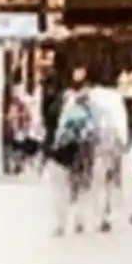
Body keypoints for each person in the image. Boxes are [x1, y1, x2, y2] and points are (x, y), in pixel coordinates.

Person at [49, 67, 96, 236]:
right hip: (81, 150)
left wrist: (55, 145)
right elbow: (92, 130)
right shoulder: (89, 105)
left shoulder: (66, 102)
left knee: (63, 188)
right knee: (80, 186)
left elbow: (60, 129)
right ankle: (78, 221)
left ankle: (62, 223)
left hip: (66, 151)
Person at [90, 71, 131, 232]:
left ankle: (95, 213)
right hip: (112, 141)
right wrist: (124, 142)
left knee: (95, 178)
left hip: (95, 140)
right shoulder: (116, 98)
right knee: (110, 180)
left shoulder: (92, 96)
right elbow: (121, 121)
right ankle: (106, 213)